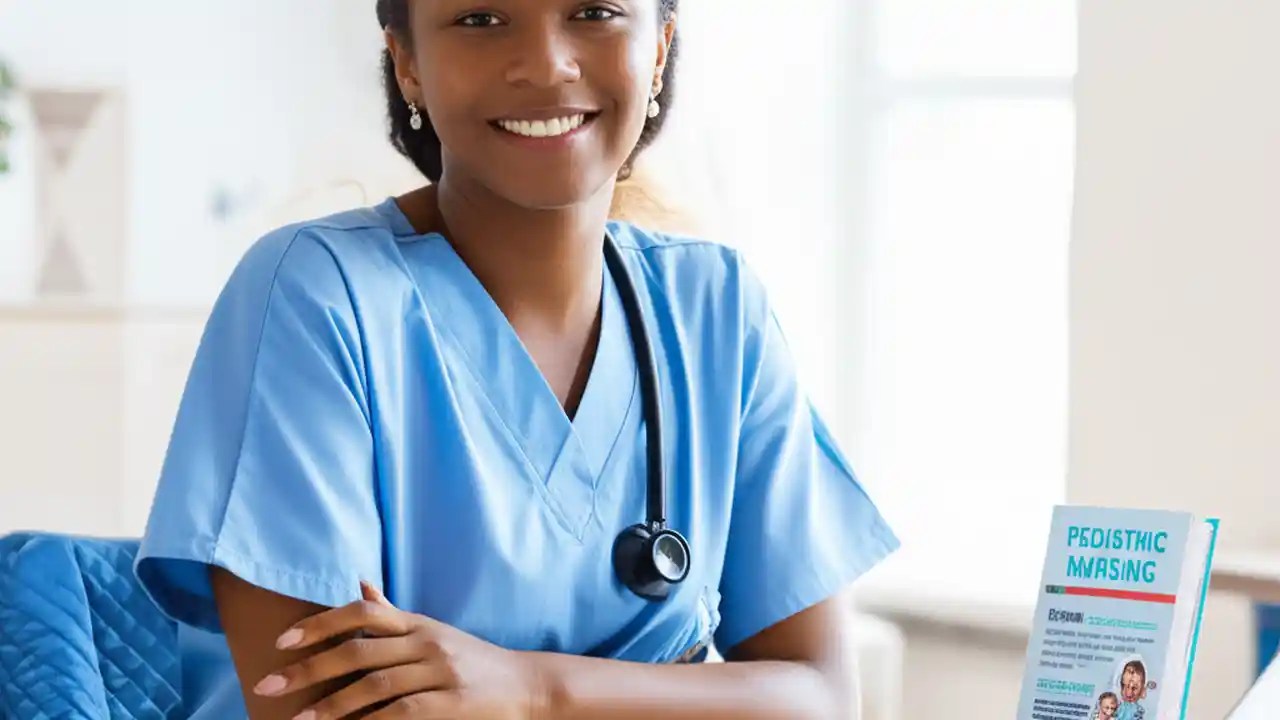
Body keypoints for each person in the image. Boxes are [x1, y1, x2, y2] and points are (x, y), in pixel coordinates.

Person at [132, 0, 899, 717]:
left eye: (594, 12)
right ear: (407, 63)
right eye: (482, 17)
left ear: (659, 48)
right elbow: (326, 705)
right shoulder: (316, 296)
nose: (545, 63)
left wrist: (533, 690)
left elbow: (822, 696)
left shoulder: (716, 308)